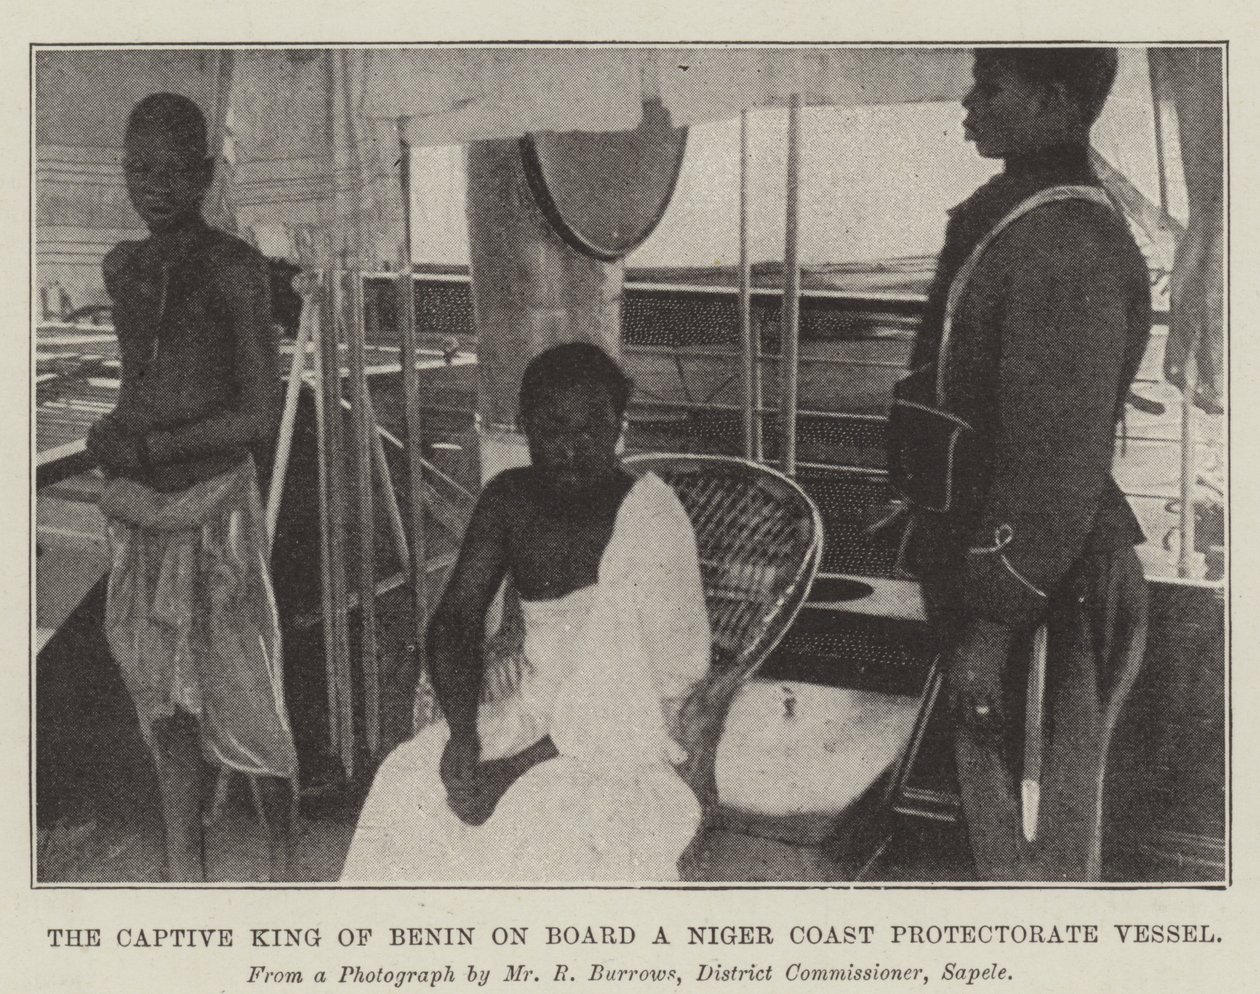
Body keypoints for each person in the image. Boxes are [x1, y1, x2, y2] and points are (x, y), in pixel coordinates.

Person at [891, 49, 1152, 880]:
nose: (967, 104)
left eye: (988, 87)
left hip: (1045, 585)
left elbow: (1053, 461)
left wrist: (992, 627)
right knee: (1001, 827)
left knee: (1035, 857)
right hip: (1010, 569)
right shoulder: (1026, 215)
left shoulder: (1065, 239)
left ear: (1053, 101)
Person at [342, 343, 712, 882]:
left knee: (541, 823)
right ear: (525, 428)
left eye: (592, 430)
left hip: (624, 735)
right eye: (553, 429)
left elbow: (671, 674)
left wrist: (515, 767)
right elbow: (456, 622)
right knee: (409, 780)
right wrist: (465, 739)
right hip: (535, 711)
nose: (571, 449)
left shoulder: (650, 514)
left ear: (619, 429)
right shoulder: (509, 499)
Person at [86, 93, 296, 882]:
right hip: (143, 516)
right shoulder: (124, 267)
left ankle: (284, 869)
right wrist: (114, 432)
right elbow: (140, 387)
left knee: (252, 708)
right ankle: (185, 880)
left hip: (216, 516)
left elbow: (256, 414)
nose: (156, 185)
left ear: (206, 174)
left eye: (175, 170)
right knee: (164, 711)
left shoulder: (235, 268)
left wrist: (156, 443)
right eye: (140, 169)